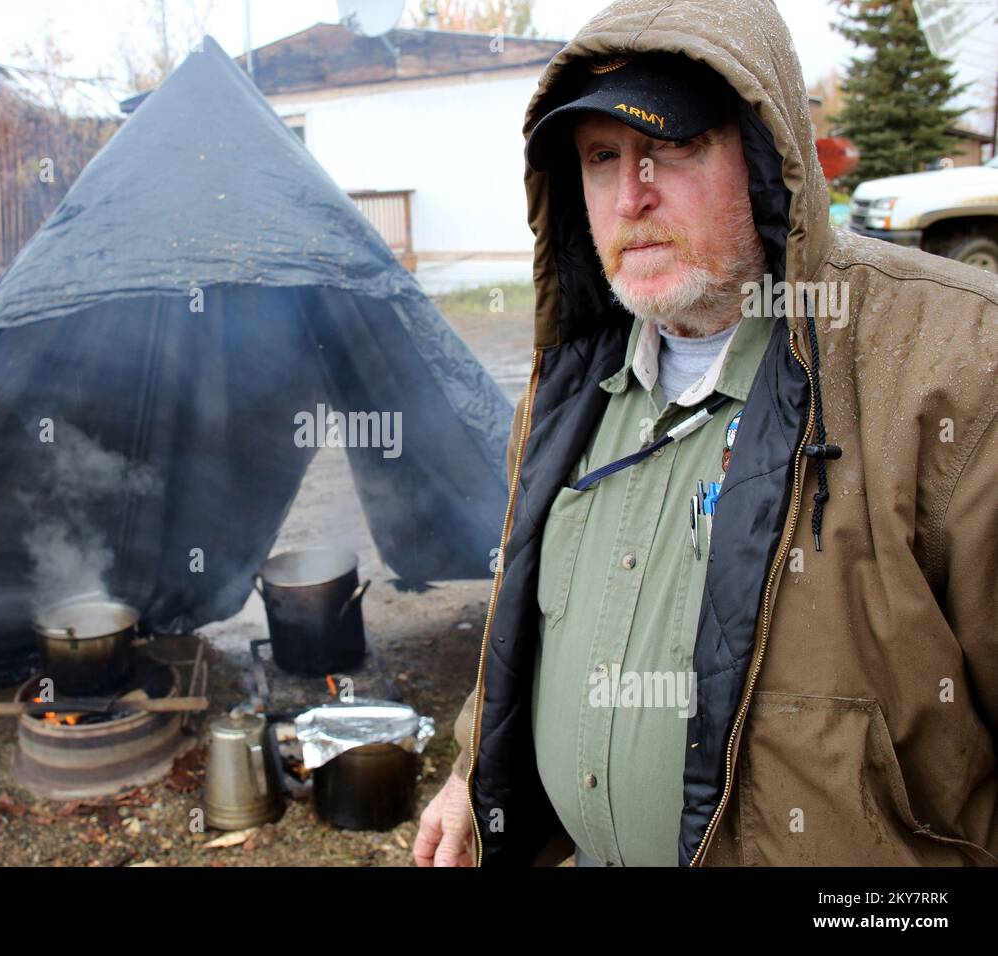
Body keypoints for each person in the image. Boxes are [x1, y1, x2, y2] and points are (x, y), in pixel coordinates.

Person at [414, 0, 998, 868]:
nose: (631, 193)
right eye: (602, 157)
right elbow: (529, 619)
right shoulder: (571, 385)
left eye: (673, 147)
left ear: (769, 159)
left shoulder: (951, 365)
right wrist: (474, 768)